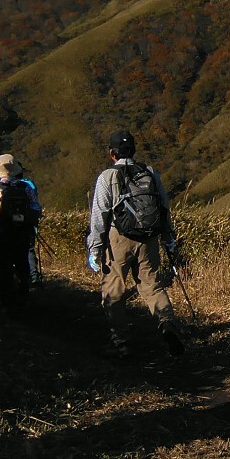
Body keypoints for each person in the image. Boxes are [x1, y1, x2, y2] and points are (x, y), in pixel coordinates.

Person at [86, 131, 181, 359]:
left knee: (114, 289)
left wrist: (95, 248)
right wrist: (168, 238)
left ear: (112, 153)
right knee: (152, 286)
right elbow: (163, 207)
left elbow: (99, 215)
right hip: (149, 238)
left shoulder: (107, 177)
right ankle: (167, 324)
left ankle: (121, 342)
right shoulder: (149, 172)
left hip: (118, 239)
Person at [0, 153, 40, 310]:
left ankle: (7, 302)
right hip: (22, 233)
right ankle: (23, 297)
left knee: (4, 268)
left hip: (2, 233)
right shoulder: (26, 188)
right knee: (22, 263)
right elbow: (36, 209)